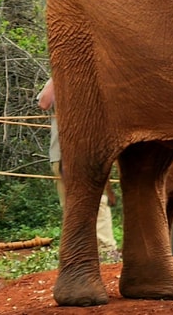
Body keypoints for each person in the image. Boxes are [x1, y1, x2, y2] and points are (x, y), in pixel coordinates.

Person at [39, 79, 120, 262]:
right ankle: (78, 253)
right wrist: (57, 75)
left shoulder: (95, 79)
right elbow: (44, 103)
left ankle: (107, 250)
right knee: (69, 205)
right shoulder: (57, 80)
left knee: (99, 201)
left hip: (90, 152)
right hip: (61, 153)